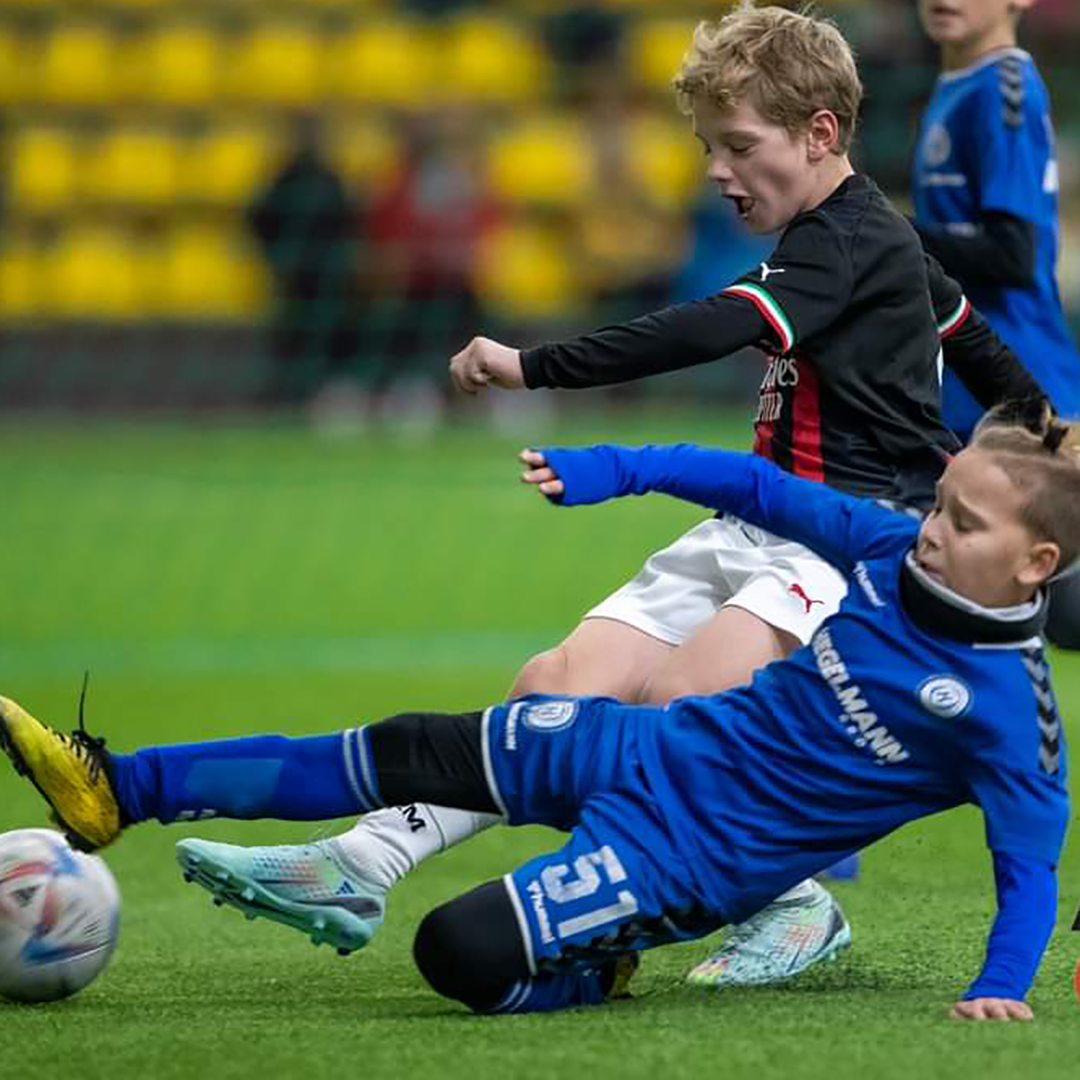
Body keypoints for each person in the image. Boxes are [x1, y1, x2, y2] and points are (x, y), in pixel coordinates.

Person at [320, 2, 1048, 990]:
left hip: (839, 537)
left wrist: (534, 365)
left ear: (820, 132)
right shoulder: (855, 235)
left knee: (680, 705)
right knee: (554, 684)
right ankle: (367, 864)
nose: (715, 169)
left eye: (737, 145)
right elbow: (966, 329)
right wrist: (1044, 419)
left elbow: (712, 329)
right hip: (753, 519)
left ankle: (789, 907)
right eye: (709, 146)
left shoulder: (844, 244)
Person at [1, 404, 1075, 1022]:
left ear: (1035, 563)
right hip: (641, 746)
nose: (934, 528)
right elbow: (748, 485)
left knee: (455, 954)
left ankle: (594, 965)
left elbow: (1029, 864)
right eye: (940, 503)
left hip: (682, 860)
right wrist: (612, 468)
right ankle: (116, 790)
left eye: (964, 522)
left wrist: (999, 988)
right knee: (407, 747)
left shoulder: (1006, 714)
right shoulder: (886, 550)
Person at [911, 0, 1080, 647]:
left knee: (1048, 610)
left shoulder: (1002, 87)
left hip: (1018, 387)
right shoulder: (959, 82)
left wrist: (900, 239)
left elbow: (1012, 256)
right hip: (966, 384)